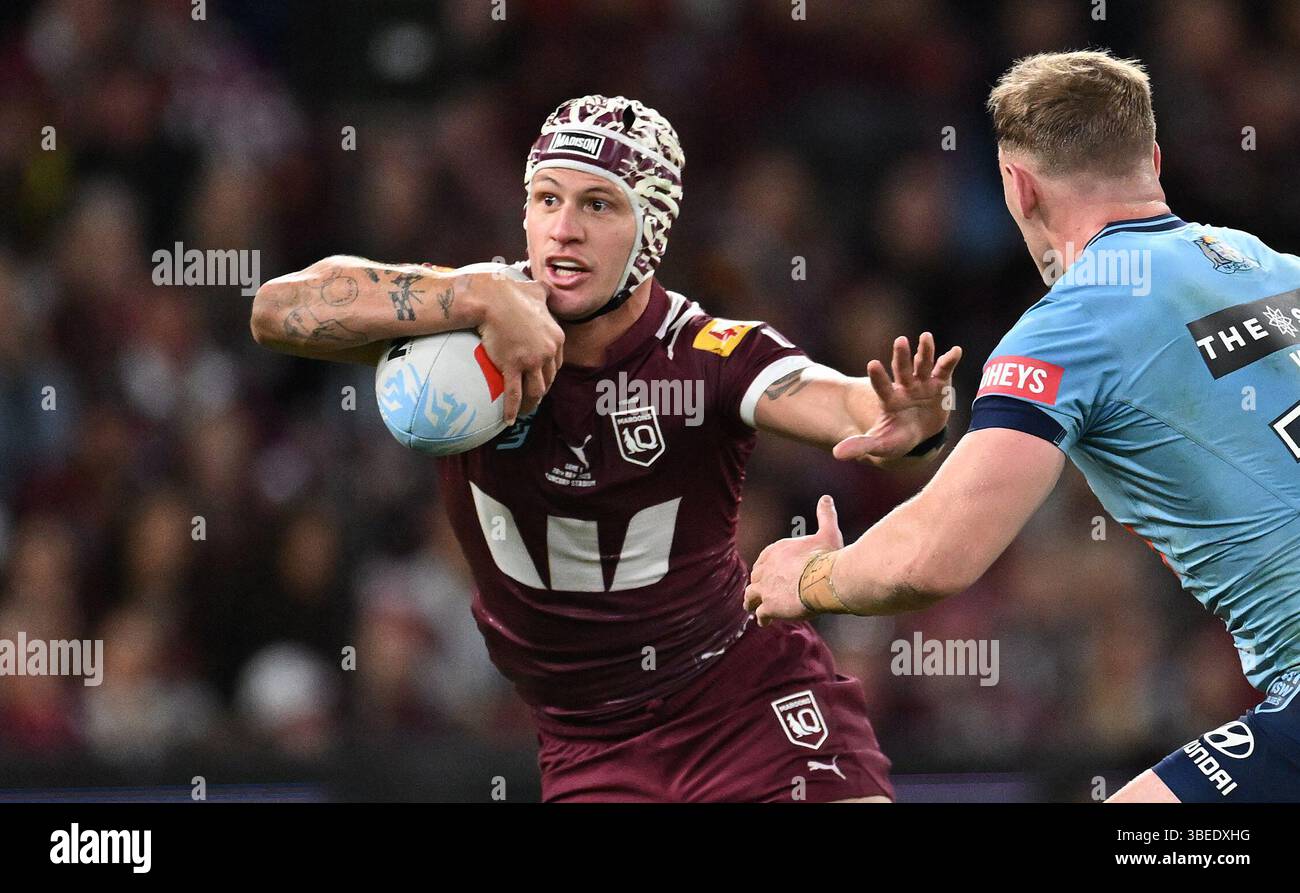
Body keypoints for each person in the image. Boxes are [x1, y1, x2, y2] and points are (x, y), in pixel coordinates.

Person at [250, 94, 961, 802]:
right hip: (586, 744)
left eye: (598, 205)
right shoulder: (456, 331)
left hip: (745, 702)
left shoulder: (705, 355)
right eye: (547, 198)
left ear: (649, 228)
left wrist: (912, 418)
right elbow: (275, 309)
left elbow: (847, 405)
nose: (564, 229)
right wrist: (470, 294)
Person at [744, 50, 1300, 803]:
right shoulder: (1274, 266)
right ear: (1154, 160)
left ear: (1019, 186)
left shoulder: (1074, 321)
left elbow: (936, 558)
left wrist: (806, 579)